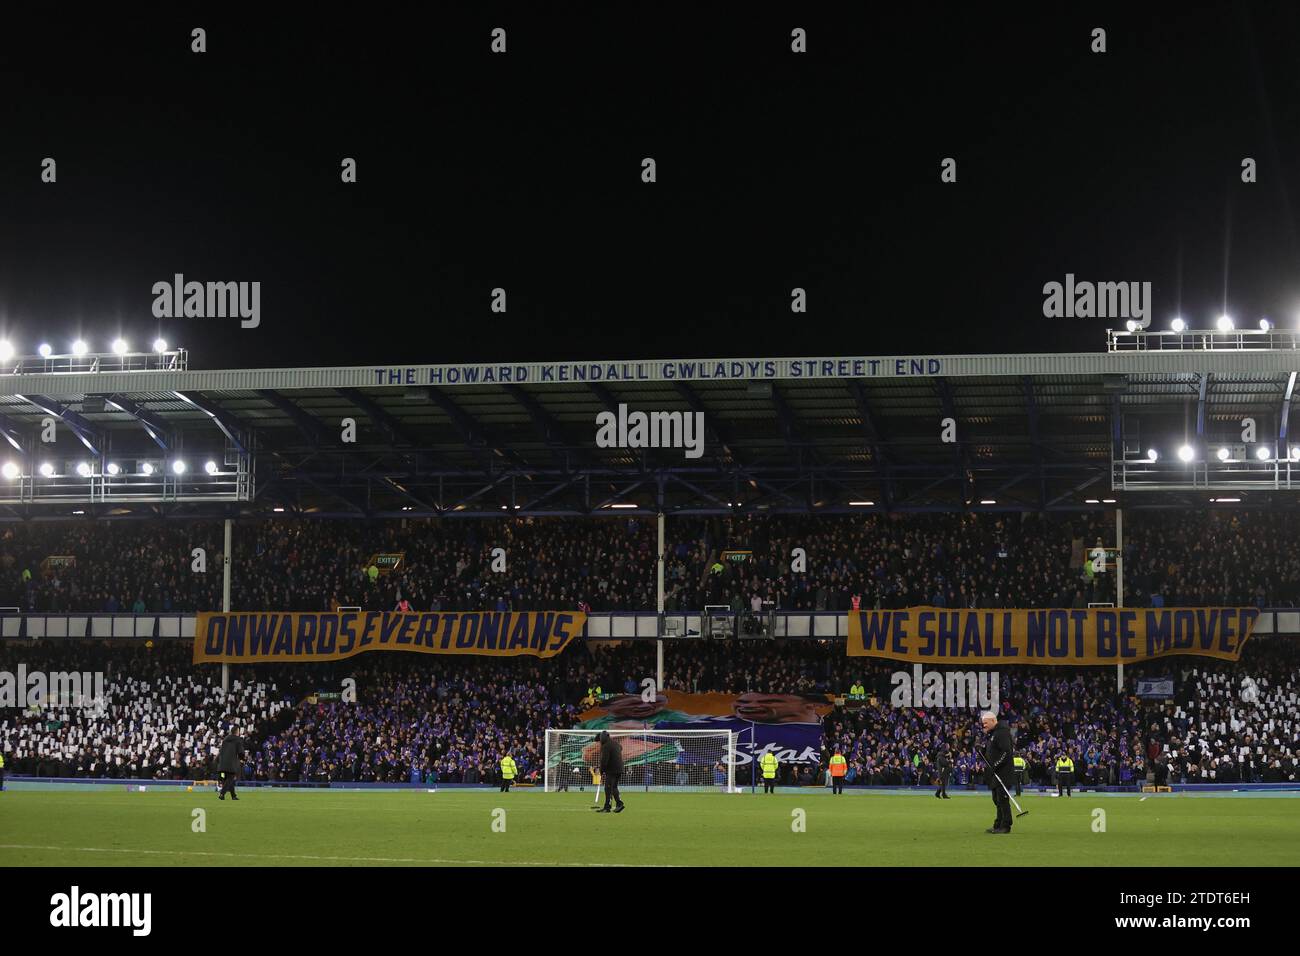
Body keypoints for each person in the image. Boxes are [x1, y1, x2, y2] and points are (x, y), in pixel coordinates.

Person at [980, 710, 1015, 834]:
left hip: (1003, 772)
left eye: (985, 723)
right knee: (997, 799)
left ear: (993, 721)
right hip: (996, 772)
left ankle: (1006, 825)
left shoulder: (1002, 733)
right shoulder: (994, 734)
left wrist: (995, 765)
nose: (984, 725)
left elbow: (1006, 752)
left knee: (1002, 799)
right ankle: (998, 824)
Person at [594, 730, 624, 813]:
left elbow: (604, 761)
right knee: (613, 787)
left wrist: (601, 771)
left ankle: (611, 806)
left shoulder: (606, 746)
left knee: (608, 788)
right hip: (619, 769)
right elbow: (621, 748)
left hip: (612, 770)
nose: (599, 743)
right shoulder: (615, 744)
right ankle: (615, 804)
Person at [217, 729, 246, 801]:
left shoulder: (225, 739)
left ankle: (233, 796)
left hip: (222, 764)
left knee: (228, 779)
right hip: (231, 764)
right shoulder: (238, 739)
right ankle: (222, 793)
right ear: (237, 732)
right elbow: (241, 752)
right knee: (230, 778)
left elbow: (221, 751)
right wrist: (242, 759)